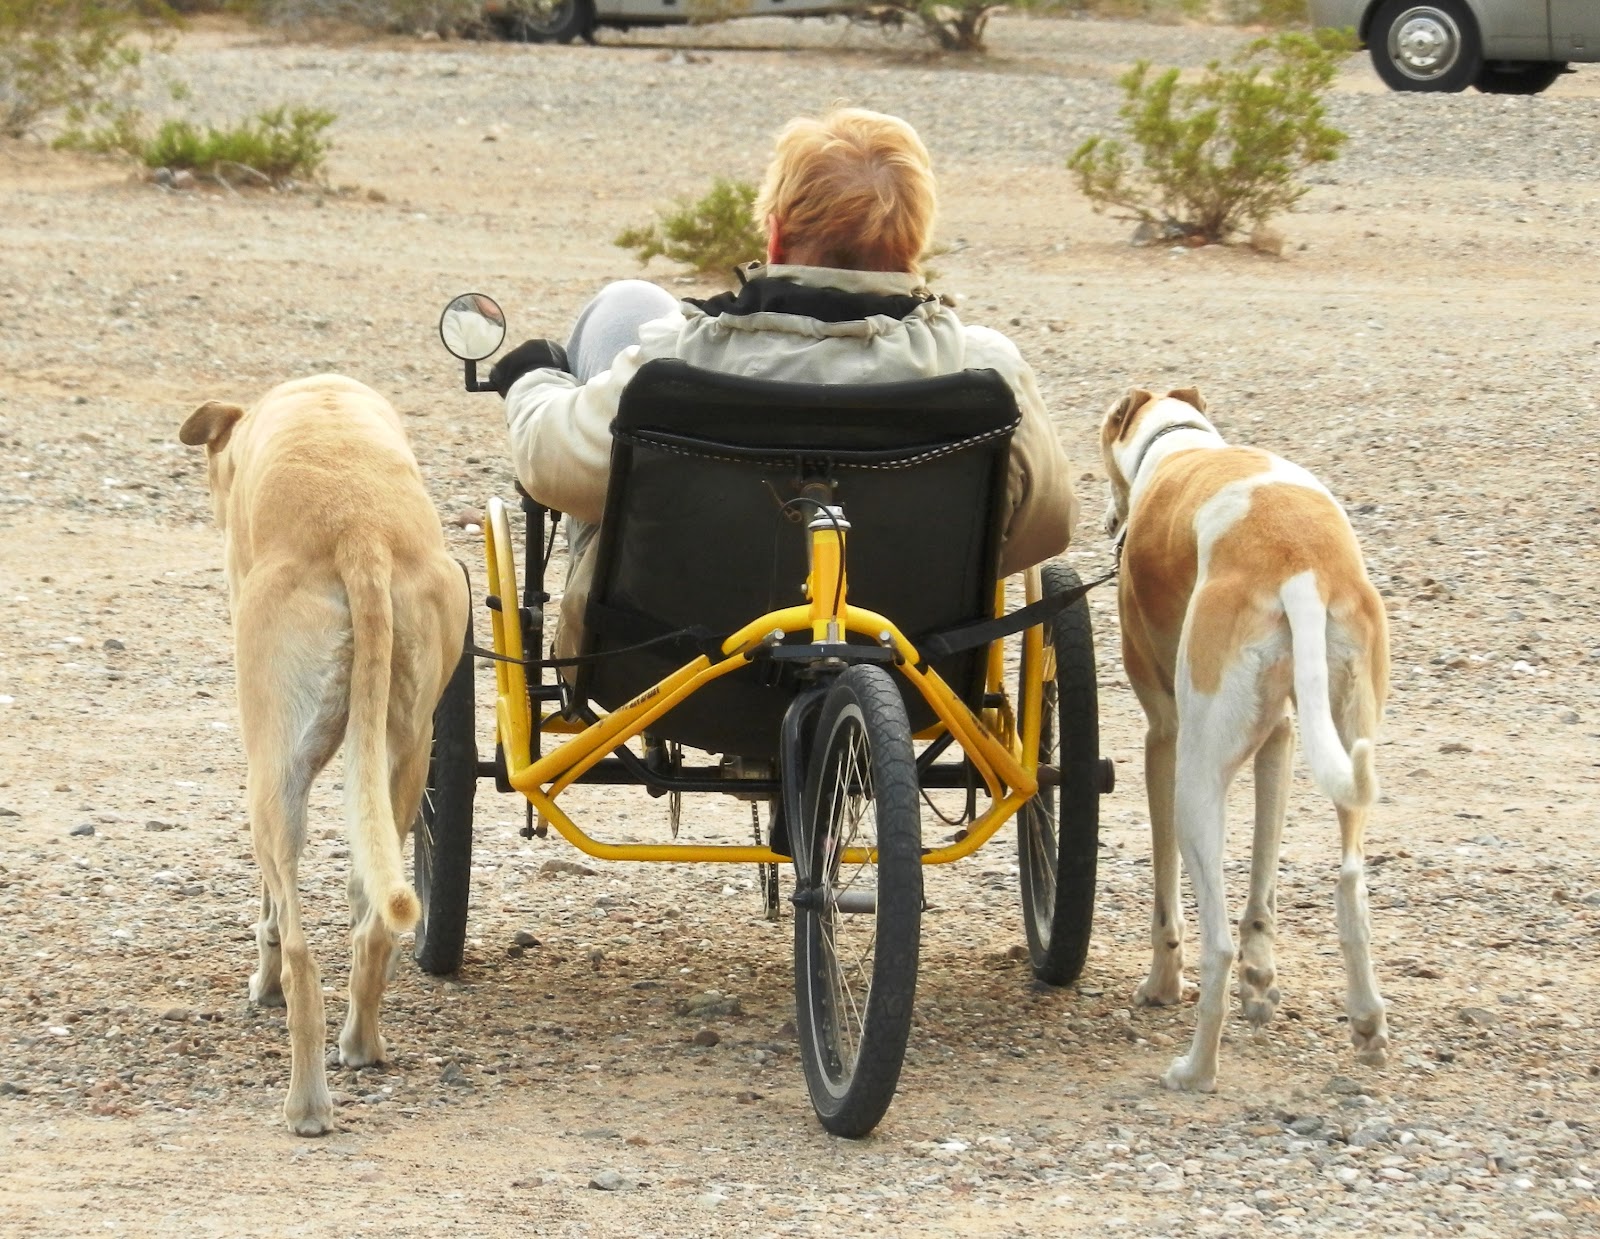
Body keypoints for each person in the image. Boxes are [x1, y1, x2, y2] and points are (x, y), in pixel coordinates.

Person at [491, 106, 1079, 658]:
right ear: (914, 244)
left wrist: (532, 380)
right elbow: (1048, 524)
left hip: (662, 662)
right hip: (912, 663)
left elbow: (552, 469)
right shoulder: (982, 370)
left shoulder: (675, 359)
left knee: (622, 312)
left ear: (774, 235)